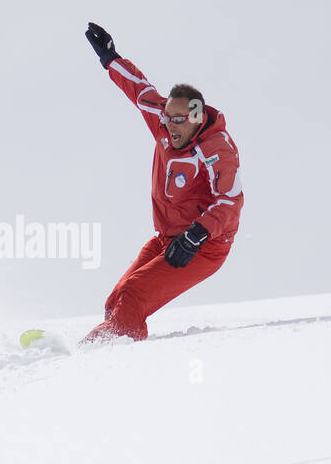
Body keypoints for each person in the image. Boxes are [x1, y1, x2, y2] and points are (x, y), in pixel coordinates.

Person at [79, 21, 244, 345]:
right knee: (115, 302)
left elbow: (230, 201)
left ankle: (111, 357)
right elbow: (139, 90)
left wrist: (197, 234)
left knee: (132, 296)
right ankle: (102, 346)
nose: (170, 127)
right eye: (167, 118)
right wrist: (111, 59)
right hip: (168, 237)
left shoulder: (216, 149)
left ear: (197, 117)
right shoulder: (166, 123)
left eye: (179, 120)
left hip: (205, 245)